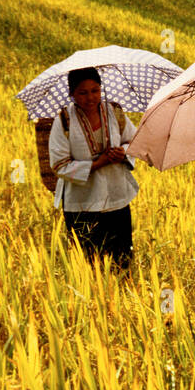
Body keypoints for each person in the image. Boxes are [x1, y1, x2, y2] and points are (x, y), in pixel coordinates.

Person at [48, 66, 139, 271]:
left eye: (95, 90)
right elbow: (59, 165)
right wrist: (99, 163)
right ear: (71, 94)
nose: (90, 97)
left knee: (121, 261)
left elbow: (135, 142)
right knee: (88, 267)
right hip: (82, 205)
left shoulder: (114, 112)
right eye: (83, 92)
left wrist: (123, 152)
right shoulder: (64, 120)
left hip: (117, 200)